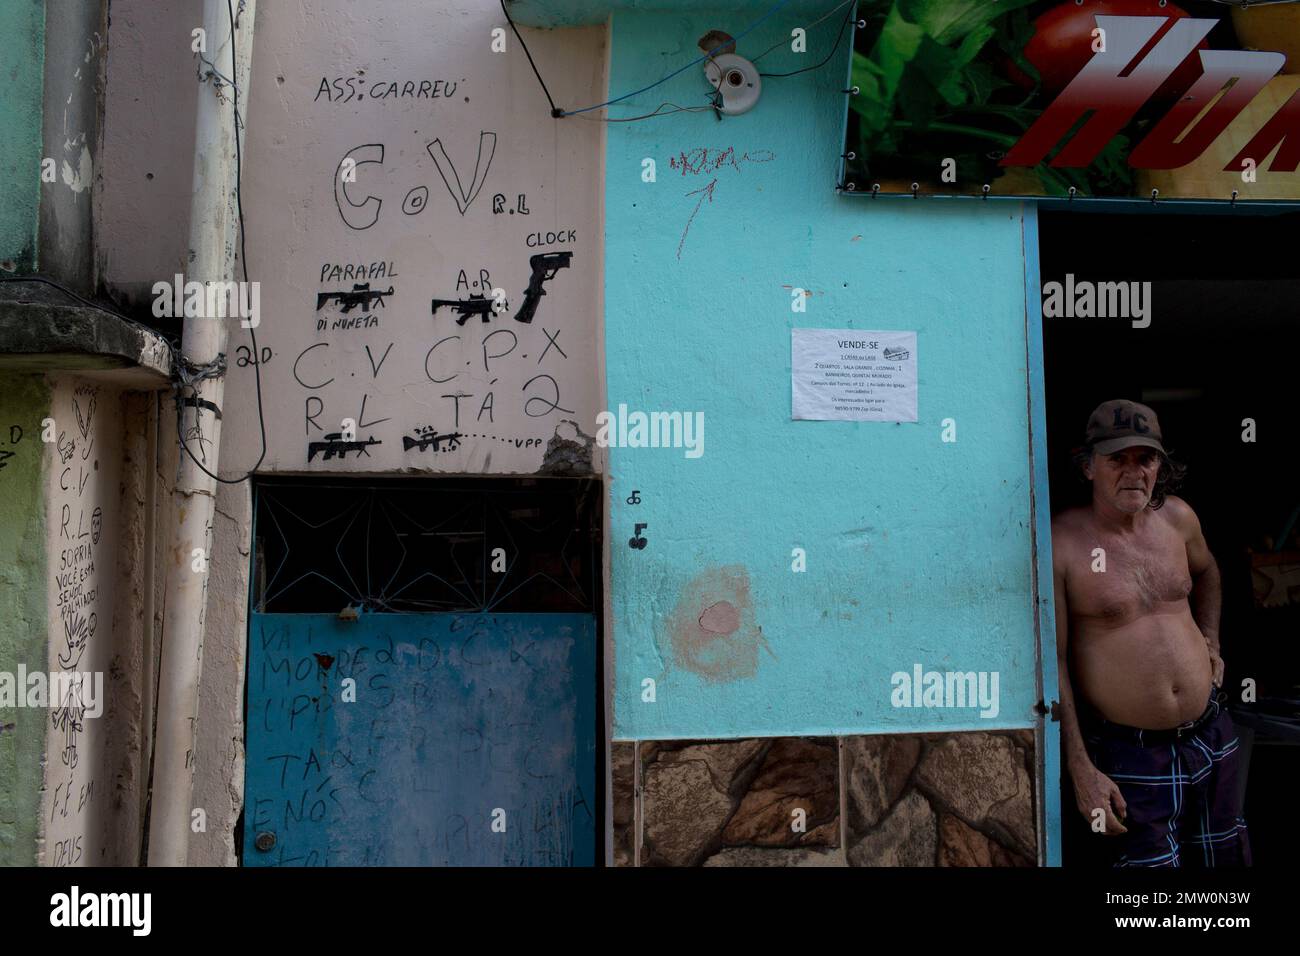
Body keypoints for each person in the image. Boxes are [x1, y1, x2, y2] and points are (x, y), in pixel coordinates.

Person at [1052, 399, 1249, 866]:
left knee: (1227, 863)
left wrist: (1211, 641)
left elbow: (1208, 573)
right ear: (1087, 467)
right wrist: (1081, 769)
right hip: (1130, 756)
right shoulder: (1063, 543)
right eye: (1116, 458)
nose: (1134, 471)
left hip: (1211, 736)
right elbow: (1054, 663)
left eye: (1146, 458)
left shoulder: (1178, 519)